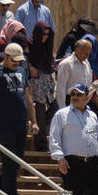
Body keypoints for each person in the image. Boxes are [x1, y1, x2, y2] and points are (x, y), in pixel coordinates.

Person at [0, 42, 38, 195]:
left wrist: (34, 121)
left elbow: (27, 97)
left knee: (16, 161)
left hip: (20, 123)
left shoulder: (21, 71)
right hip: (2, 124)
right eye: (14, 60)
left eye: (19, 61)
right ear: (6, 56)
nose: (17, 63)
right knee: (9, 159)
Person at [48, 81, 98, 195]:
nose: (75, 97)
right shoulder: (62, 114)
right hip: (72, 162)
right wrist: (60, 158)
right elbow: (54, 138)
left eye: (79, 94)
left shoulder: (92, 115)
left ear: (87, 97)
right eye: (73, 94)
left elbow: (96, 137)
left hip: (92, 161)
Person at [25, 22, 57, 151]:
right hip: (35, 84)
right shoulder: (30, 45)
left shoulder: (47, 47)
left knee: (55, 108)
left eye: (48, 35)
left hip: (47, 83)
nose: (45, 37)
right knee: (39, 114)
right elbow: (24, 61)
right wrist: (31, 67)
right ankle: (41, 144)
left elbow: (50, 63)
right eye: (43, 34)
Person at [54, 37, 93, 109]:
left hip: (83, 103)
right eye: (85, 53)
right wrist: (62, 108)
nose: (87, 56)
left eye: (88, 54)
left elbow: (89, 83)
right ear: (77, 50)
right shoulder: (66, 64)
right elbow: (61, 88)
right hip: (70, 101)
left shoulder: (87, 64)